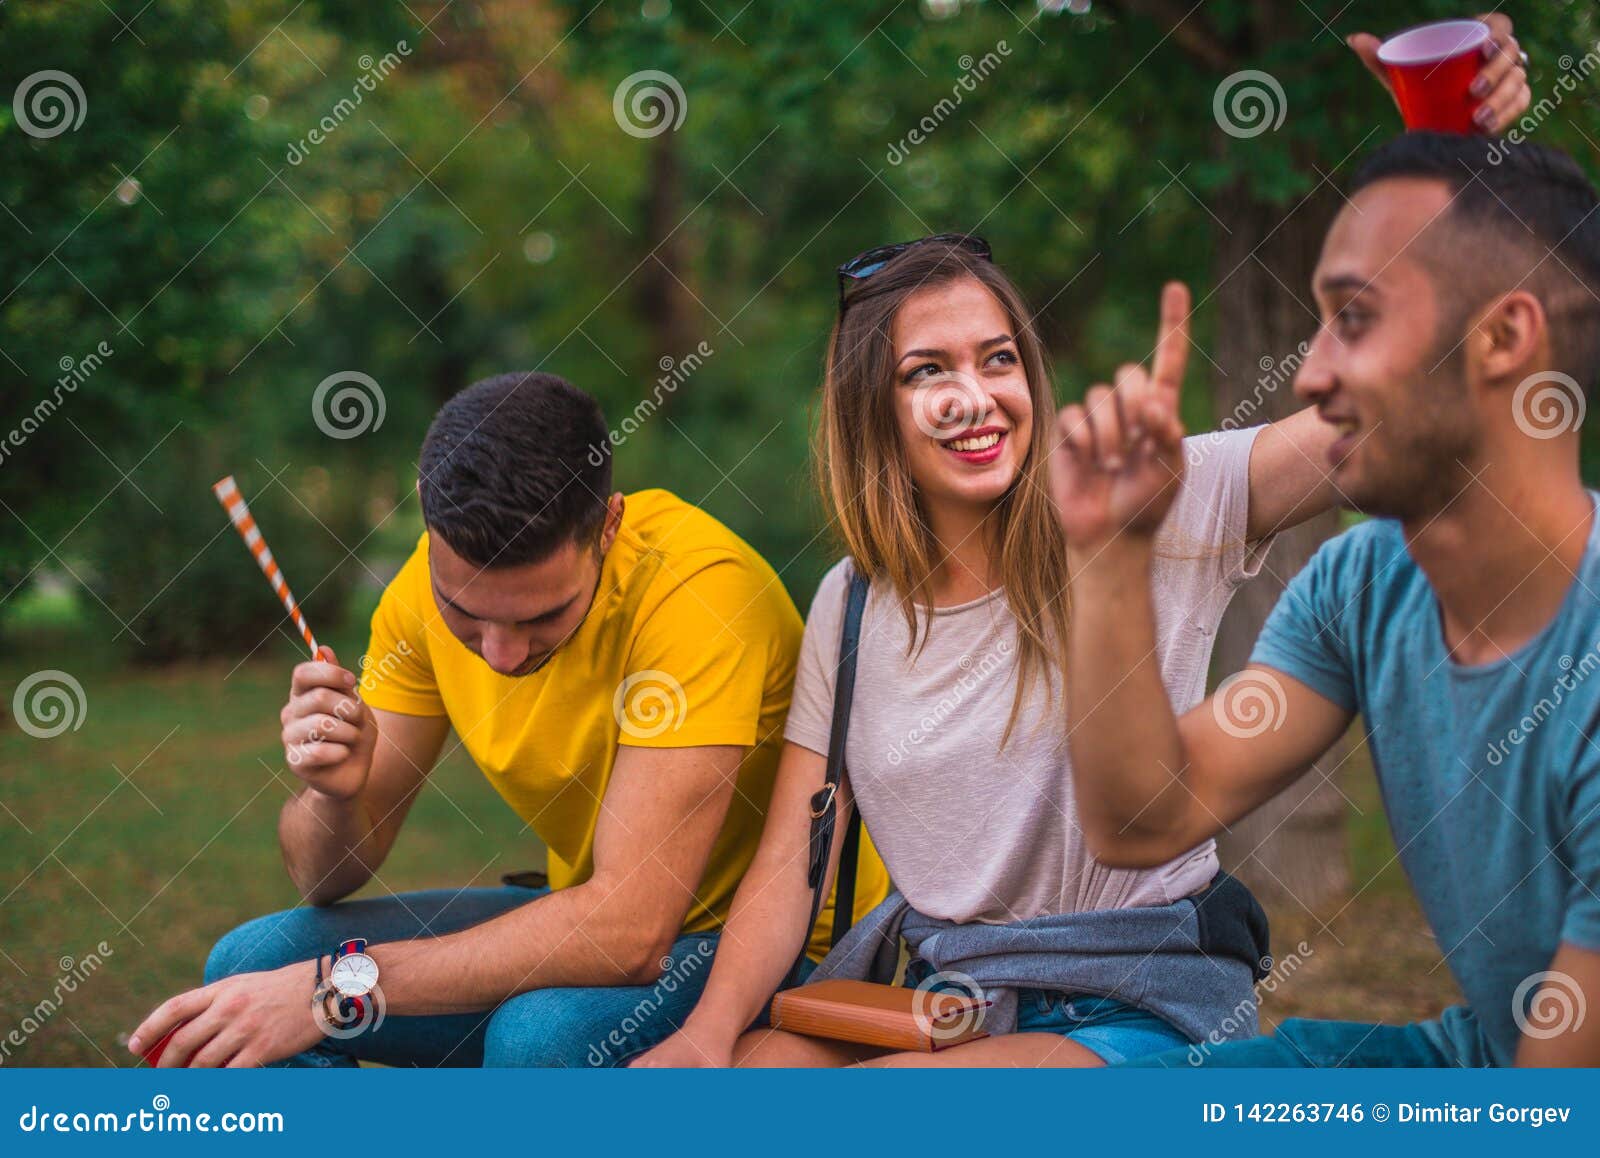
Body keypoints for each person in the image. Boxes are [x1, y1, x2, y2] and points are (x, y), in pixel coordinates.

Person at [629, 15, 1530, 1072]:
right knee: (740, 1087)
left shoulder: (1141, 495)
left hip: (1136, 1001)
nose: (976, 398)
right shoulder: (854, 602)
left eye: (997, 359)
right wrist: (703, 1034)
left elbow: (1376, 422)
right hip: (945, 998)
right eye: (929, 372)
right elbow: (790, 858)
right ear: (868, 410)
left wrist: (1461, 170)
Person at [127, 372, 887, 1068]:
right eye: (467, 612)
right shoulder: (413, 604)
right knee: (252, 966)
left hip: (764, 946)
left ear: (608, 526)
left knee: (537, 1040)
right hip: (587, 919)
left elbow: (629, 935)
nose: (500, 652)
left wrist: (336, 988)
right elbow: (323, 877)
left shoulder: (698, 598)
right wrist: (334, 794)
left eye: (542, 615)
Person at [1055, 132, 1600, 1068]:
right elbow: (1143, 818)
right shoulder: (1366, 584)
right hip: (1484, 1060)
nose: (1307, 375)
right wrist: (1108, 554)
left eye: (1355, 318)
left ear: (1506, 337)